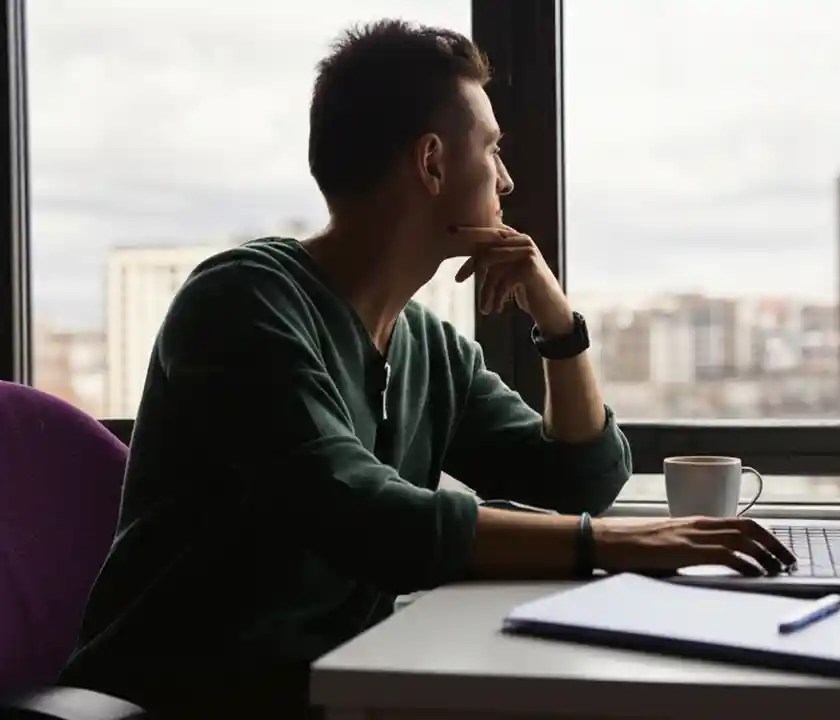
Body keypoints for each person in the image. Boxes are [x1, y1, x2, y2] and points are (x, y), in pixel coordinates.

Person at [58, 20, 795, 719]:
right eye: (494, 149)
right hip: (181, 699)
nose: (505, 181)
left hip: (330, 686)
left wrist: (561, 329)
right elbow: (358, 511)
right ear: (433, 161)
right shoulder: (240, 303)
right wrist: (611, 545)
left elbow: (582, 482)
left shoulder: (427, 347)